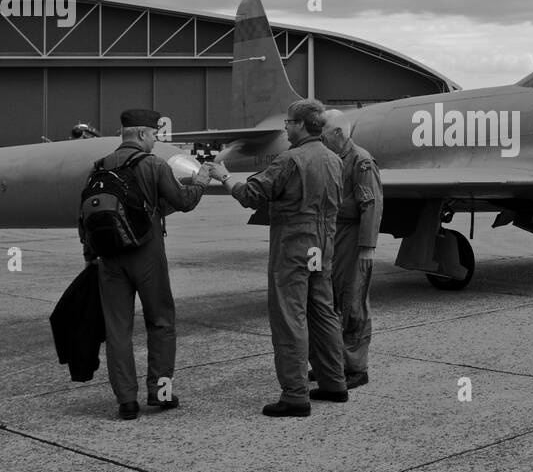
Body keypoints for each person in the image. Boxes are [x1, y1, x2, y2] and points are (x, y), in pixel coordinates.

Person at [207, 99, 346, 417]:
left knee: (290, 317)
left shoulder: (289, 160)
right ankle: (334, 382)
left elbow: (251, 195)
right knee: (322, 312)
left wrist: (224, 175)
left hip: (294, 247)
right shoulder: (335, 159)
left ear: (299, 125)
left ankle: (296, 395)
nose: (285, 126)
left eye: (288, 122)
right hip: (323, 246)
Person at [86, 109, 212, 420]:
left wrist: (91, 256)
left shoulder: (99, 167)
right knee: (161, 322)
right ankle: (161, 392)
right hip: (147, 253)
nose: (156, 140)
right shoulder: (153, 164)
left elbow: (85, 214)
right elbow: (184, 202)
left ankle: (126, 401)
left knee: (118, 330)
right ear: (142, 135)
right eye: (154, 134)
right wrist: (201, 182)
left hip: (109, 257)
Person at [320, 110, 383, 389]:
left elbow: (371, 204)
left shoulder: (361, 160)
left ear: (338, 134)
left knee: (353, 302)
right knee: (331, 300)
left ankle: (357, 368)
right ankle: (335, 364)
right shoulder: (334, 157)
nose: (320, 138)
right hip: (336, 236)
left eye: (323, 133)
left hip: (355, 237)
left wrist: (367, 247)